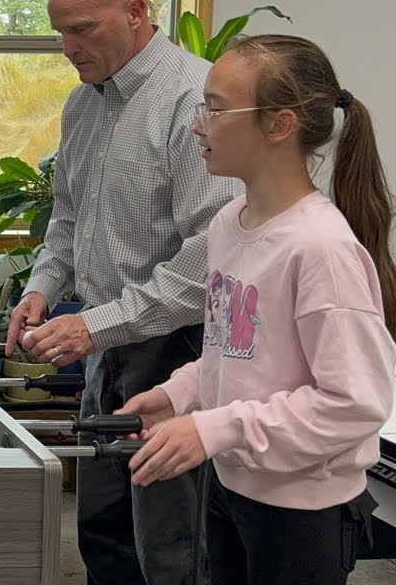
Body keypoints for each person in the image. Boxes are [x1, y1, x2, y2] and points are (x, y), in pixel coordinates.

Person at [118, 34, 396, 584]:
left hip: (301, 512)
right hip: (231, 486)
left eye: (216, 109)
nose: (200, 125)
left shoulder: (320, 249)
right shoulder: (230, 223)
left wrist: (220, 426)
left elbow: (355, 403)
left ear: (279, 125)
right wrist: (180, 395)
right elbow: (235, 349)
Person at [7, 0, 240, 585]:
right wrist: (42, 288)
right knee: (102, 529)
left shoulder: (195, 97)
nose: (68, 47)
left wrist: (96, 325)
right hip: (106, 344)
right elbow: (68, 219)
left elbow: (208, 259)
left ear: (137, 12)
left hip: (176, 350)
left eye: (82, 29)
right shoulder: (83, 106)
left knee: (170, 542)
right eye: (60, 31)